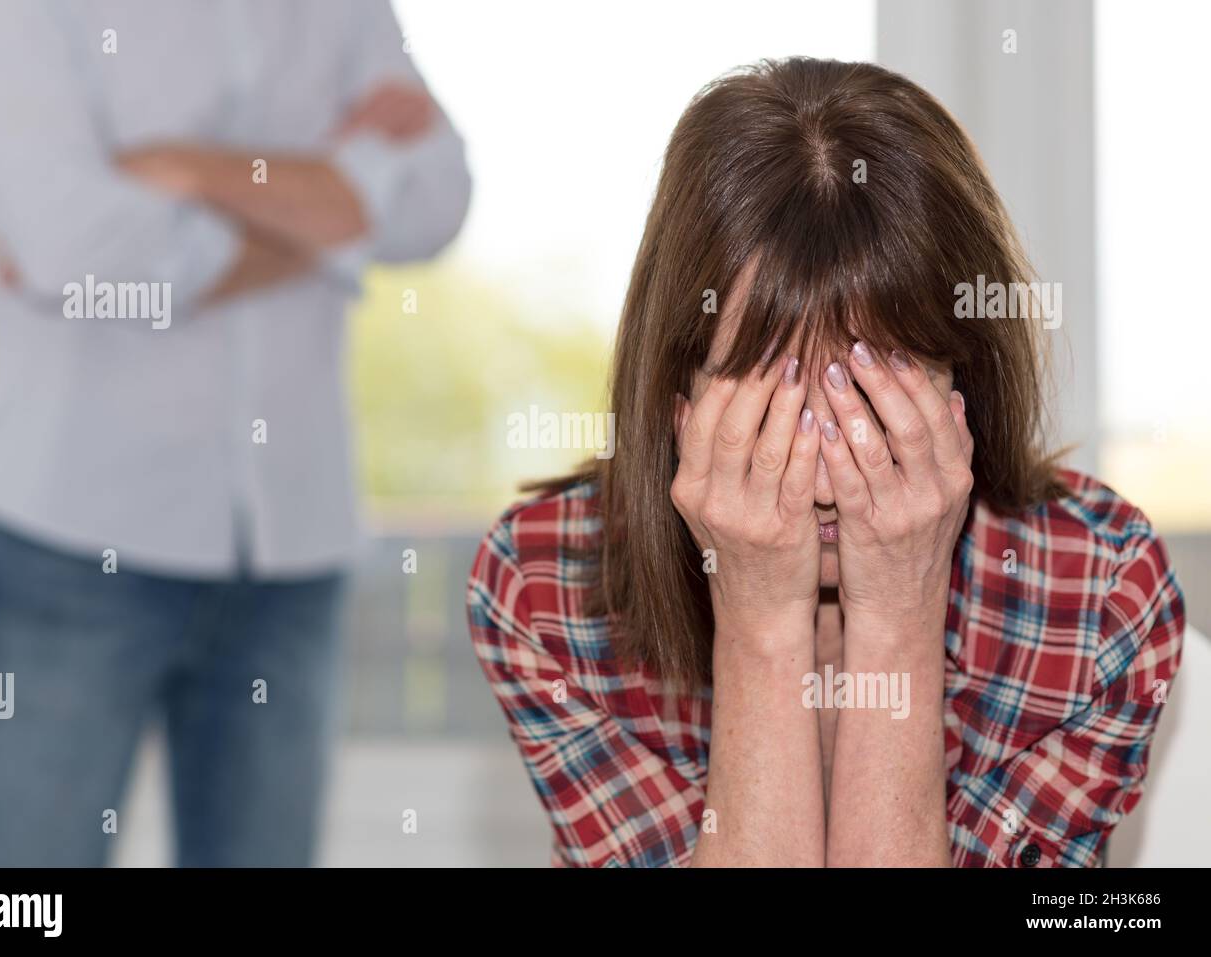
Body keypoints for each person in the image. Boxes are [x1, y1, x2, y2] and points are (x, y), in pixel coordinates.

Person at [466, 57, 1183, 867]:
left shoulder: (1099, 595)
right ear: (677, 402)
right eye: (775, 412)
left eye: (873, 403)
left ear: (966, 394)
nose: (833, 472)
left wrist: (899, 617)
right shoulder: (544, 587)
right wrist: (762, 629)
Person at [0, 0, 470, 866]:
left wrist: (184, 171)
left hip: (291, 552)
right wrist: (333, 199)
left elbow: (437, 197)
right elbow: (68, 246)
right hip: (74, 543)